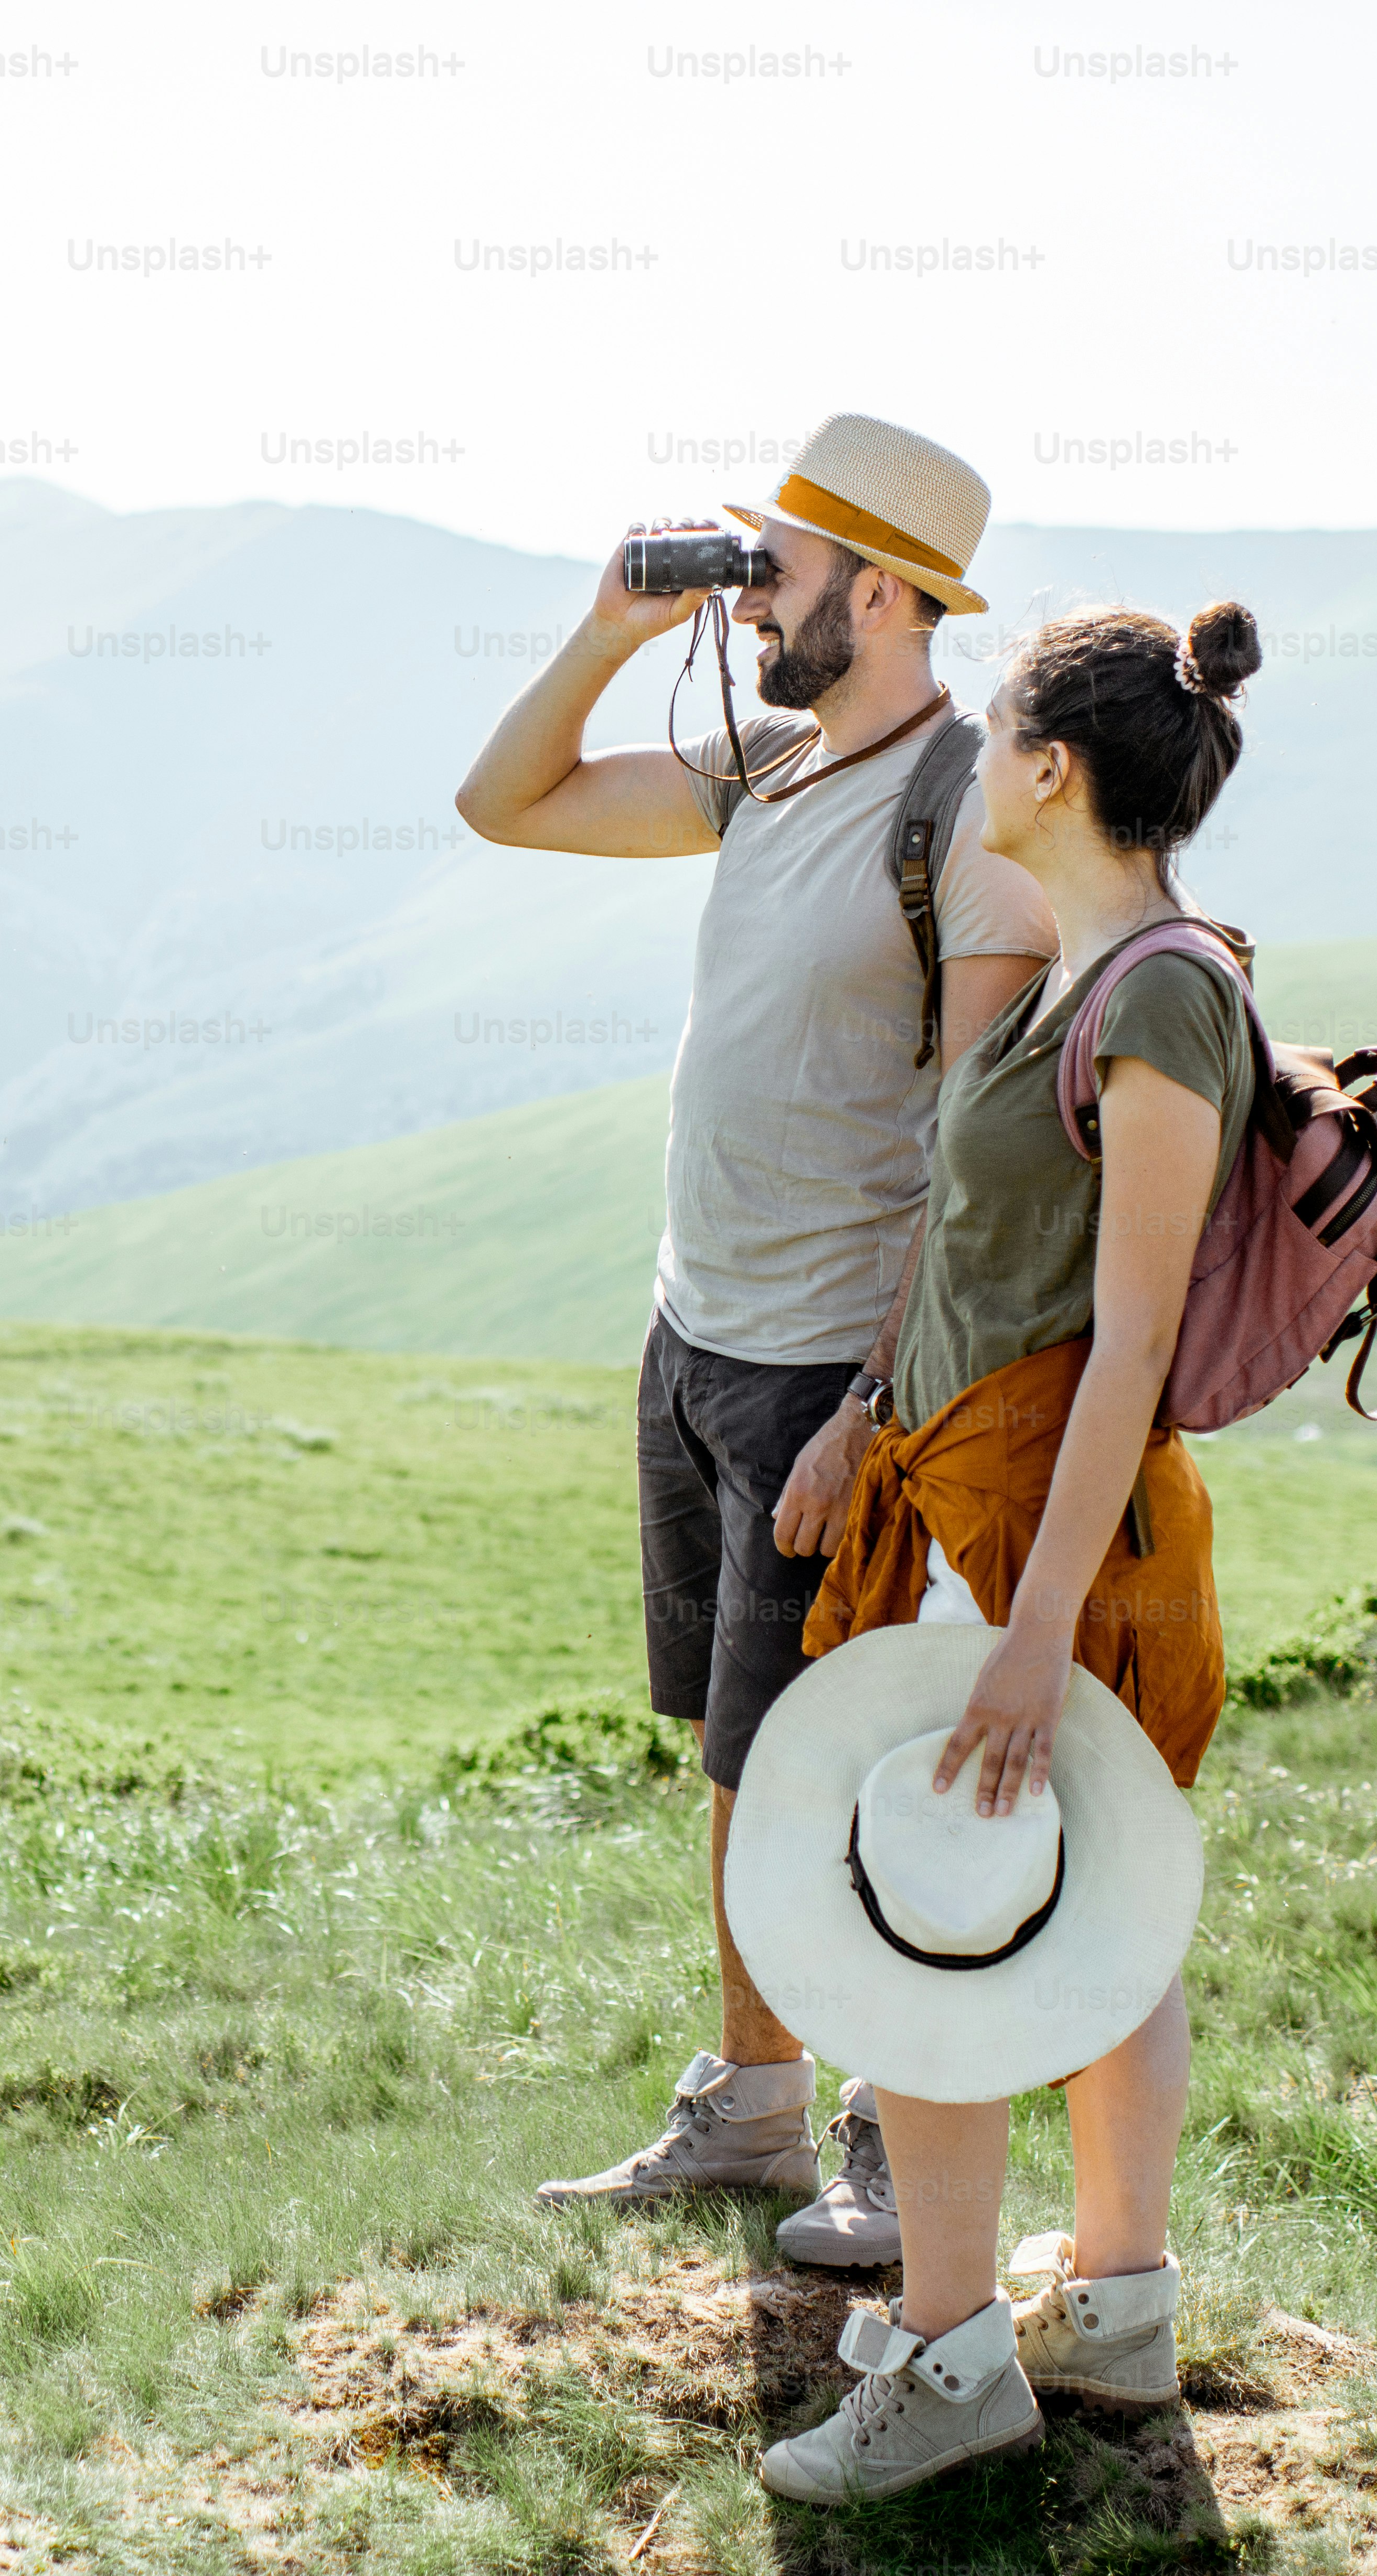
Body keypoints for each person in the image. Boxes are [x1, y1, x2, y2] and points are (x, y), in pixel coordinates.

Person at [454, 418, 1053, 2229]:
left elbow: (974, 1159)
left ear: (884, 594)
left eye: (773, 567)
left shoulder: (970, 814)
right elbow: (509, 802)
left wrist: (870, 1402)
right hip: (697, 1331)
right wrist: (610, 624)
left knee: (842, 1759)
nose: (745, 591)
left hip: (830, 1372)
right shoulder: (768, 763)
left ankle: (889, 2140)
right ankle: (755, 2108)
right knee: (739, 1756)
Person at [754, 597, 1268, 2505]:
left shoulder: (1158, 996)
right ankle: (1114, 2309)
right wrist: (872, 1423)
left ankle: (955, 2356)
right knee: (1084, 1894)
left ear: (1050, 774)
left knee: (952, 1917)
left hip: (1048, 1535)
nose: (975, 768)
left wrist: (1033, 1629)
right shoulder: (1092, 972)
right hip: (1000, 1507)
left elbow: (1128, 1336)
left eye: (998, 747)